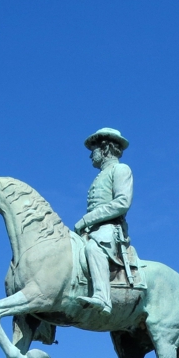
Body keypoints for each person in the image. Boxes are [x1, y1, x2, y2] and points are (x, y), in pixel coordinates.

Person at [74, 128, 133, 314]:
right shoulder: (100, 175)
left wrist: (86, 219)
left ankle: (103, 297)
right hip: (91, 230)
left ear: (105, 149)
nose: (91, 155)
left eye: (94, 149)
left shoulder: (121, 169)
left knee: (94, 248)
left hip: (110, 229)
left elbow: (122, 203)